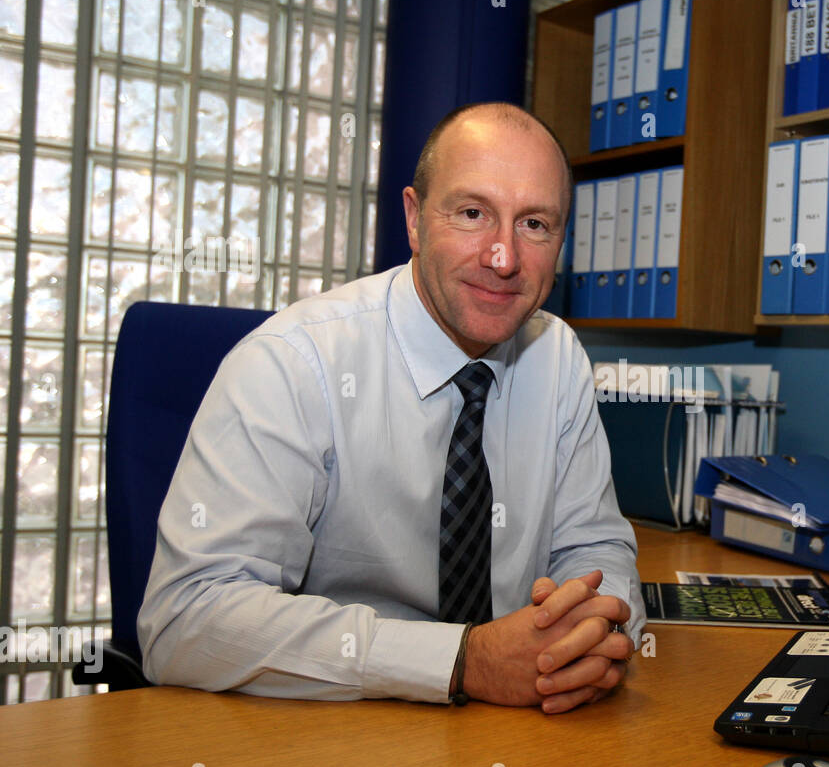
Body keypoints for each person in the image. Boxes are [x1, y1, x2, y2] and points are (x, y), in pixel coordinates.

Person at [138, 102, 643, 713]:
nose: (504, 257)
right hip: (329, 741)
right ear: (413, 218)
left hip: (517, 730)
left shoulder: (556, 358)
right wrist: (462, 660)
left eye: (534, 224)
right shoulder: (295, 364)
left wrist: (592, 635)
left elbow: (595, 548)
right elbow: (185, 620)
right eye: (473, 213)